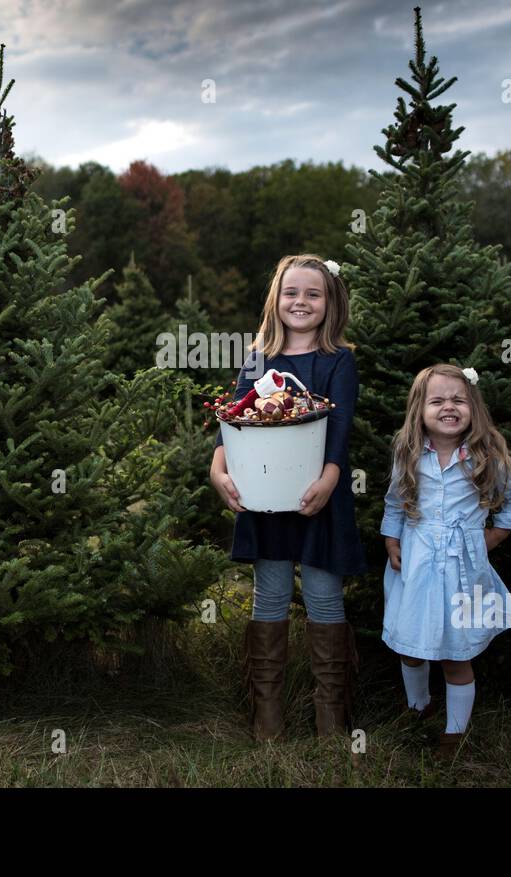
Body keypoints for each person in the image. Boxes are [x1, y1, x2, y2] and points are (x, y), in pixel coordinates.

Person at [209, 253, 366, 741]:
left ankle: (330, 718)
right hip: (263, 492)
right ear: (275, 299)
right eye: (291, 292)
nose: (301, 302)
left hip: (318, 494)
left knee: (323, 595)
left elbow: (338, 427)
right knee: (271, 592)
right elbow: (233, 418)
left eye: (313, 294)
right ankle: (268, 717)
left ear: (330, 301)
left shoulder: (337, 360)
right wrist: (218, 467)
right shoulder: (257, 357)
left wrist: (330, 477)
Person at [380, 364, 511, 758]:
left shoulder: (487, 455)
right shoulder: (408, 451)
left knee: (455, 654)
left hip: (462, 570)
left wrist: (492, 536)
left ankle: (455, 733)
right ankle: (418, 707)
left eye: (458, 400)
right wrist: (391, 539)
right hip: (414, 564)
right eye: (437, 400)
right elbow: (395, 501)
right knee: (410, 647)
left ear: (473, 407)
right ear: (420, 409)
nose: (449, 407)